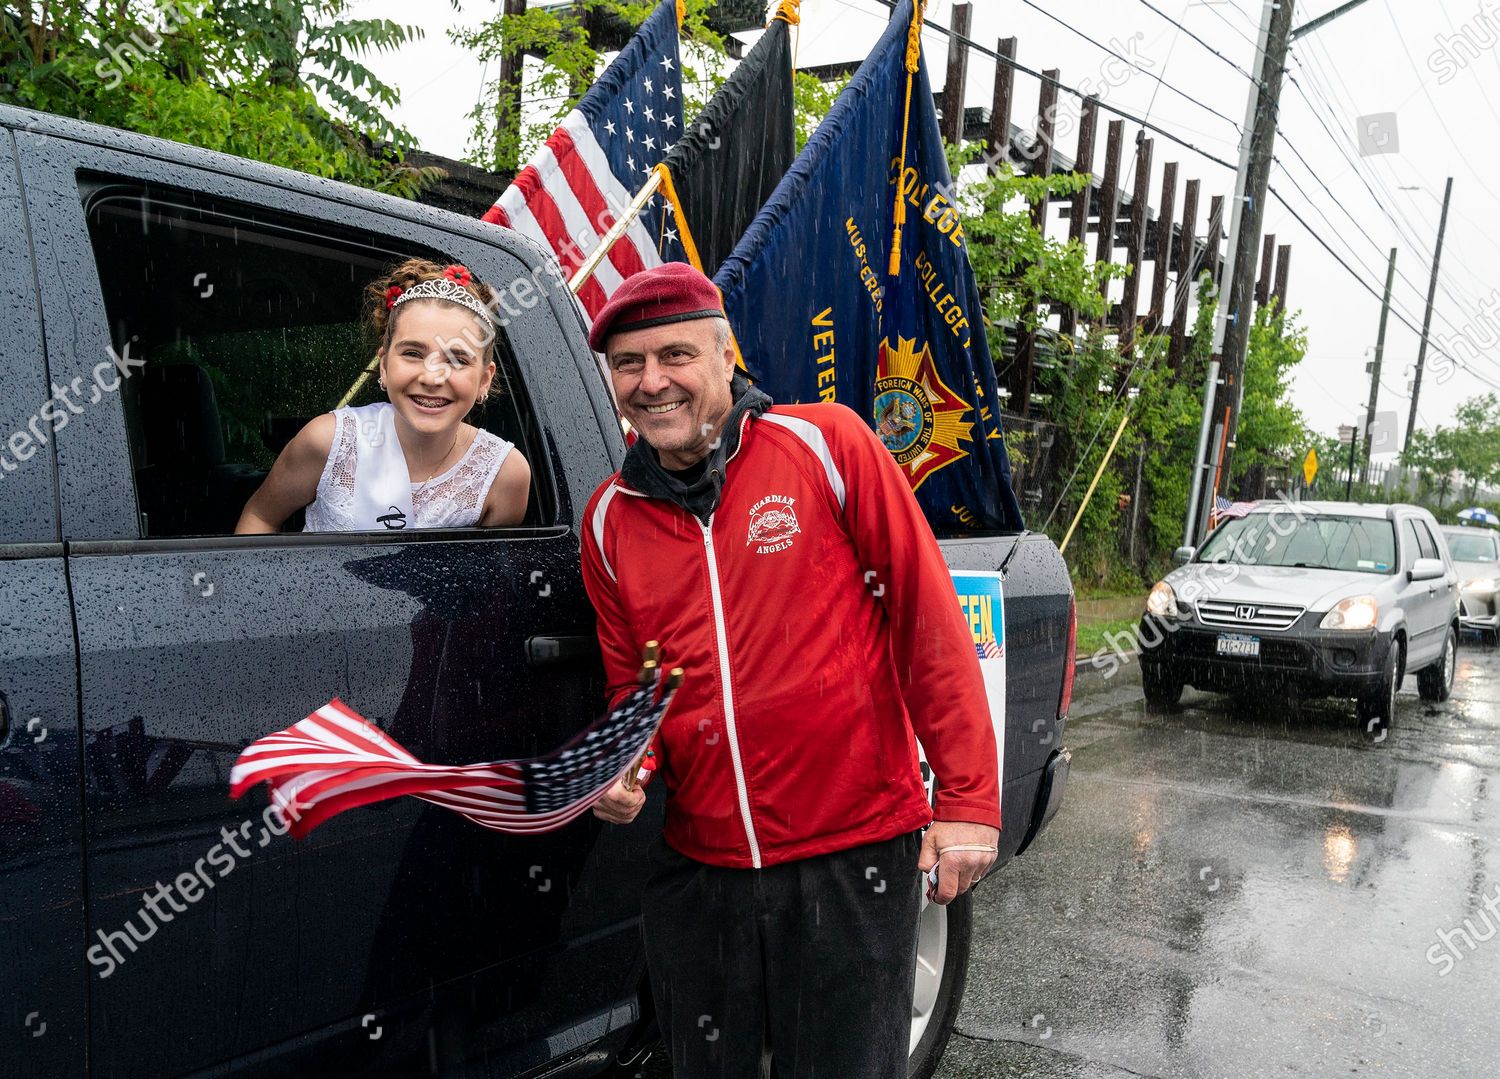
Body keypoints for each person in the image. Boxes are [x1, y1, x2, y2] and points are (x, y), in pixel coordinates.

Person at [580, 263, 1001, 1077]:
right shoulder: (607, 520)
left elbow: (926, 619)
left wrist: (970, 799)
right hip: (700, 874)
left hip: (850, 856)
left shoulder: (827, 443)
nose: (652, 381)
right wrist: (627, 764)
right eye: (629, 364)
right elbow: (636, 688)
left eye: (675, 355)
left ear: (726, 352)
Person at [236, 259, 531, 534]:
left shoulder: (504, 475)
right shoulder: (327, 441)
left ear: (484, 379)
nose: (431, 378)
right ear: (385, 366)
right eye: (413, 354)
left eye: (457, 359)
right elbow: (260, 517)